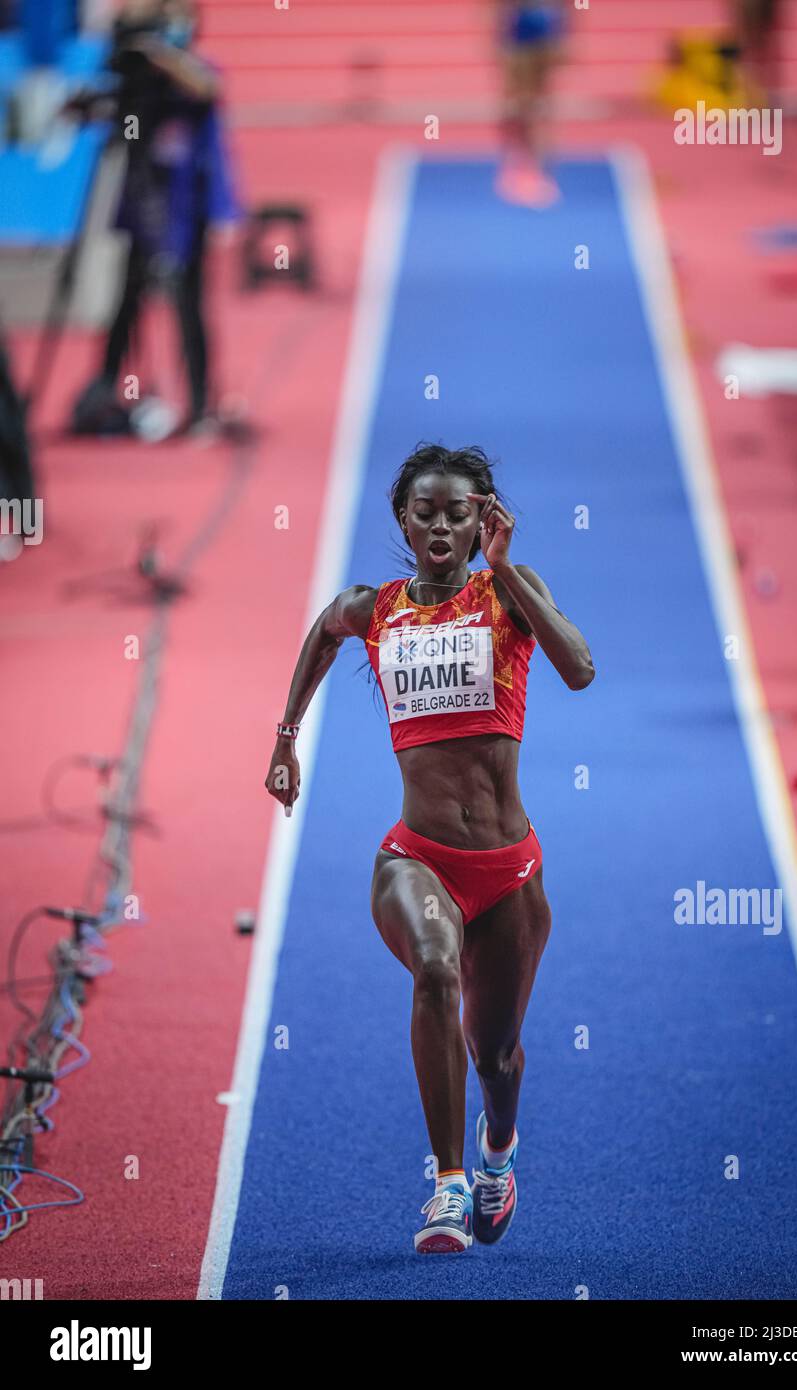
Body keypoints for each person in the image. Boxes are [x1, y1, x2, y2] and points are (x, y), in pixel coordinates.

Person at [265, 444, 595, 1253]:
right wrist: (285, 739)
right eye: (426, 513)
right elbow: (321, 631)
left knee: (499, 1058)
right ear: (402, 521)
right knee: (436, 970)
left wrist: (509, 569)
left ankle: (497, 1153)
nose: (441, 526)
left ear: (486, 517)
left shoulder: (507, 598)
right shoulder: (375, 609)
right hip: (414, 858)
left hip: (509, 869)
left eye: (459, 512)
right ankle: (447, 1186)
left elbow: (580, 669)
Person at [81, 0, 236, 436]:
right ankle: (104, 393)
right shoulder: (137, 84)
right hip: (141, 202)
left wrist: (160, 55)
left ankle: (201, 405)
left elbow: (206, 87)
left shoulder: (195, 69)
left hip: (186, 209)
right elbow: (109, 112)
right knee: (127, 303)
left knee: (188, 306)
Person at [494, 1, 570, 208]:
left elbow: (565, 7)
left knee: (539, 110)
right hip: (519, 44)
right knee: (518, 108)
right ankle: (516, 166)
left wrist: (564, 35)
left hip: (542, 43)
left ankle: (540, 171)